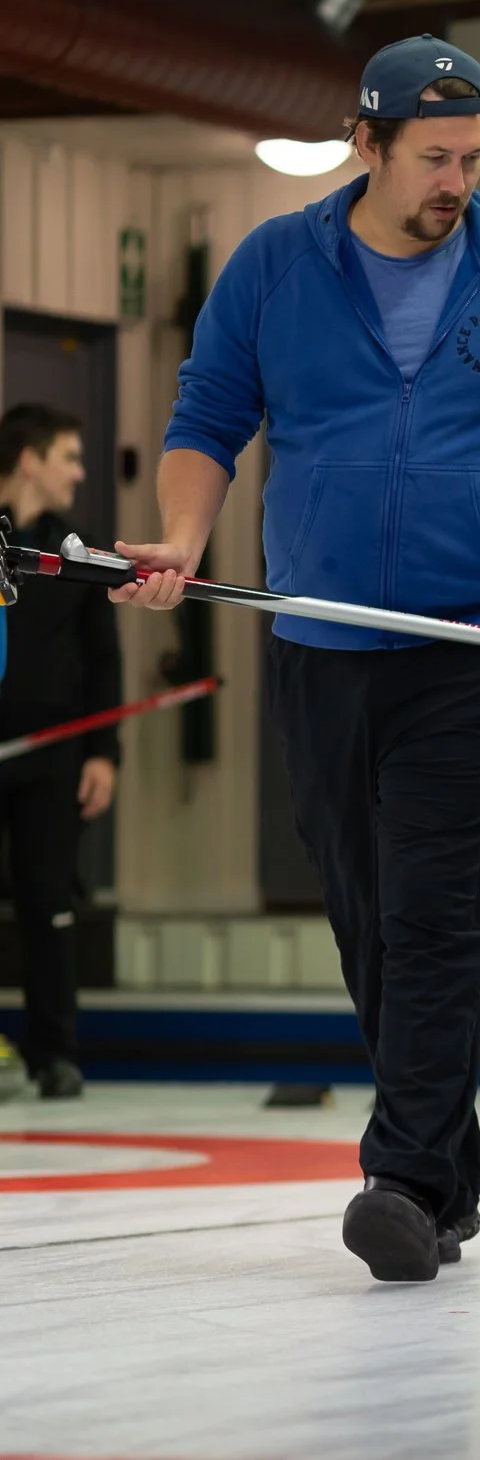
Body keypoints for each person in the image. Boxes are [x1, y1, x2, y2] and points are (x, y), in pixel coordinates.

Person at [120, 35, 480, 1283]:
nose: (456, 179)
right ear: (365, 144)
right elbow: (209, 416)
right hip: (322, 642)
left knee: (430, 902)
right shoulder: (278, 264)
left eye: (473, 156)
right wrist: (178, 537)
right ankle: (449, 1175)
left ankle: (399, 1176)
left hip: (473, 643)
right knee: (367, 912)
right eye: (433, 156)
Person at [0, 404, 121, 1101]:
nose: (79, 471)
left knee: (48, 902)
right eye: (69, 456)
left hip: (53, 756)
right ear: (29, 458)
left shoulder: (76, 551)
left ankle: (55, 1052)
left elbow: (102, 660)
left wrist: (103, 751)